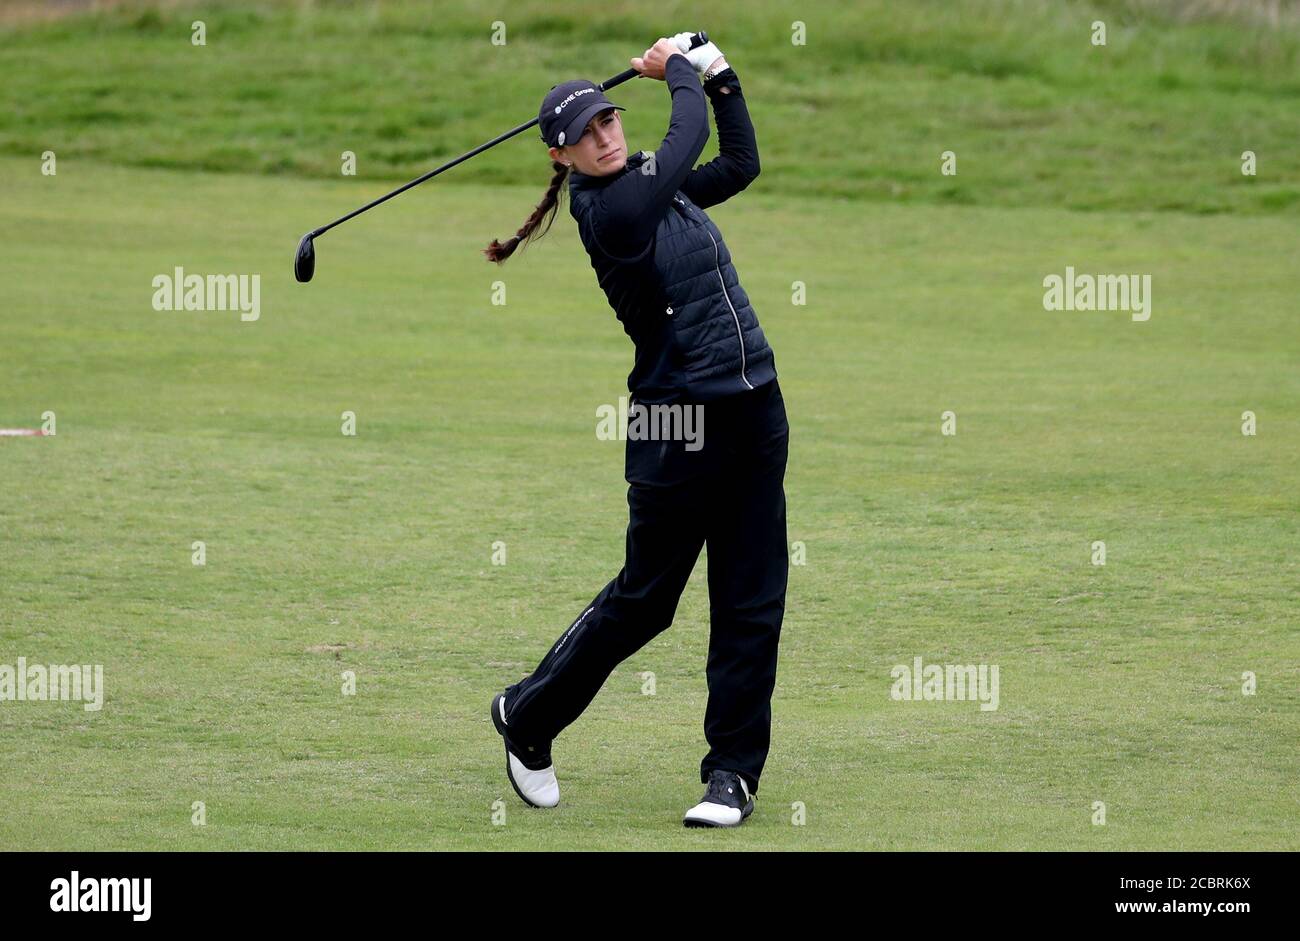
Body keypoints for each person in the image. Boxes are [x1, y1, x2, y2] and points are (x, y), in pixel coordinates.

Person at [483, 33, 789, 827]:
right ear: (562, 157)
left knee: (751, 599)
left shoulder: (657, 185)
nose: (607, 134)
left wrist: (721, 76)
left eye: (610, 118)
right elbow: (685, 139)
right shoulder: (615, 208)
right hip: (676, 420)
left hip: (755, 405)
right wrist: (679, 70)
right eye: (587, 132)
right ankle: (528, 716)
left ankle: (732, 775)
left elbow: (739, 161)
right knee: (647, 599)